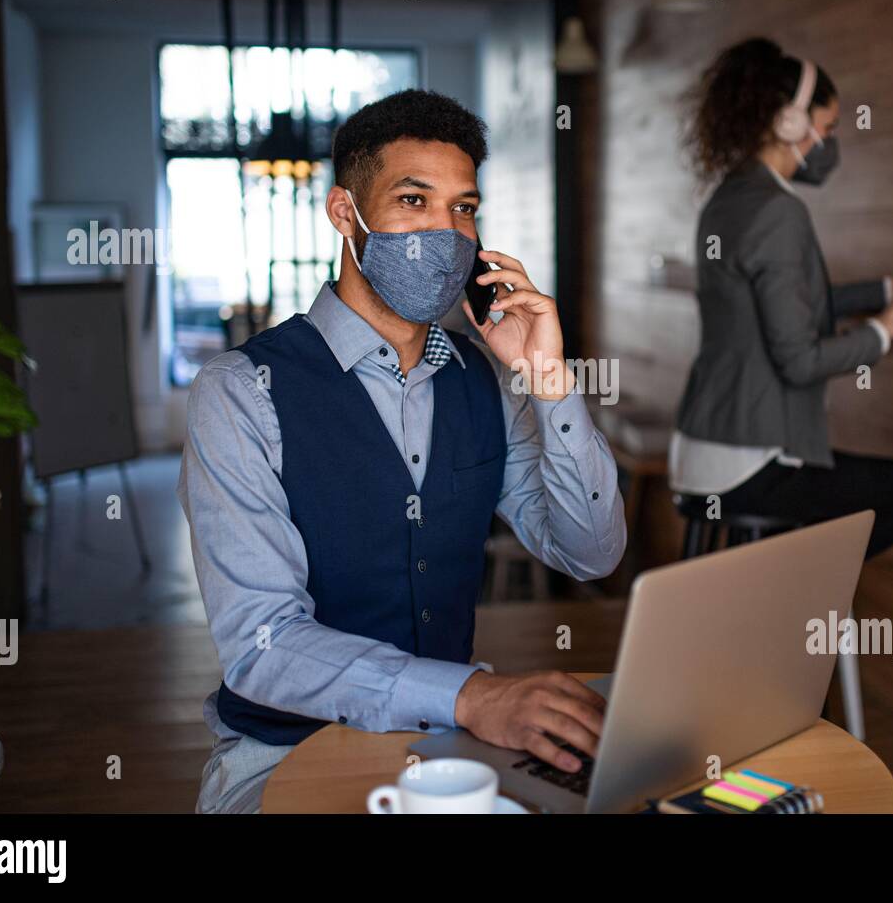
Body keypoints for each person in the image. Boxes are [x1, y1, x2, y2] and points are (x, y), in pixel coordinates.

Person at [178, 90, 625, 813]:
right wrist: (473, 694)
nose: (446, 233)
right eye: (414, 200)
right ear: (344, 213)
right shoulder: (239, 393)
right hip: (283, 754)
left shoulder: (484, 382)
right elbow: (262, 643)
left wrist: (548, 381)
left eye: (464, 209)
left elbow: (591, 554)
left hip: (448, 749)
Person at [672, 38, 893, 558]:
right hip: (752, 465)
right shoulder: (779, 212)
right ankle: (799, 592)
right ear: (790, 124)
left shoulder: (727, 198)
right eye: (827, 128)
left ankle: (790, 584)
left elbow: (783, 300)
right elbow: (799, 360)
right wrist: (885, 330)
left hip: (698, 453)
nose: (829, 142)